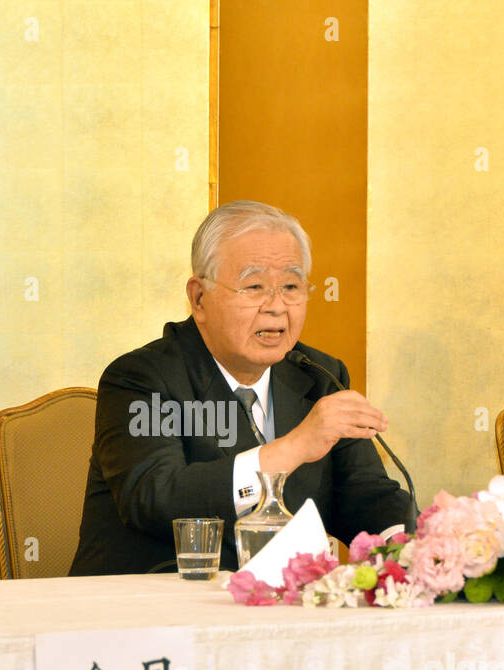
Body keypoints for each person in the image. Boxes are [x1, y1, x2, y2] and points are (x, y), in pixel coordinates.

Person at [70, 200, 412, 575]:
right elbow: (156, 499)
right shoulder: (142, 377)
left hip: (278, 612)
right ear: (199, 297)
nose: (277, 306)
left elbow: (364, 493)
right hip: (150, 610)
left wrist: (412, 545)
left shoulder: (319, 375)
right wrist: (295, 446)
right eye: (254, 287)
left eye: (291, 287)